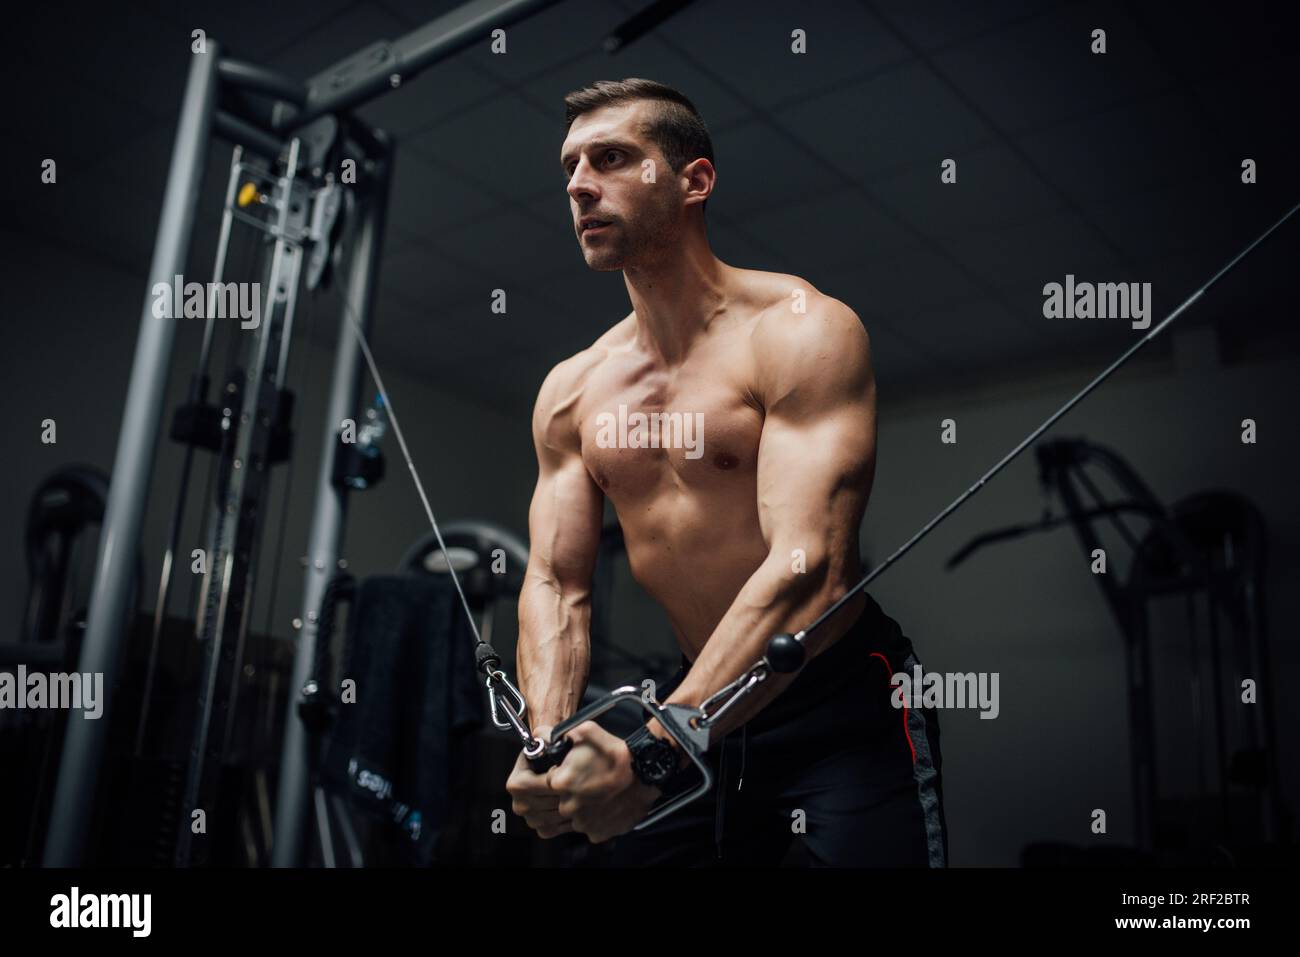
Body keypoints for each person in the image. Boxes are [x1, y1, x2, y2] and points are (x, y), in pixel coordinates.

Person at [505, 78, 947, 866]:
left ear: (693, 180)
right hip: (700, 699)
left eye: (610, 158)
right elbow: (554, 583)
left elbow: (813, 568)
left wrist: (657, 750)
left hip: (838, 700)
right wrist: (548, 742)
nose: (577, 184)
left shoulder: (802, 333)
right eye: (570, 166)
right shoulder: (571, 391)